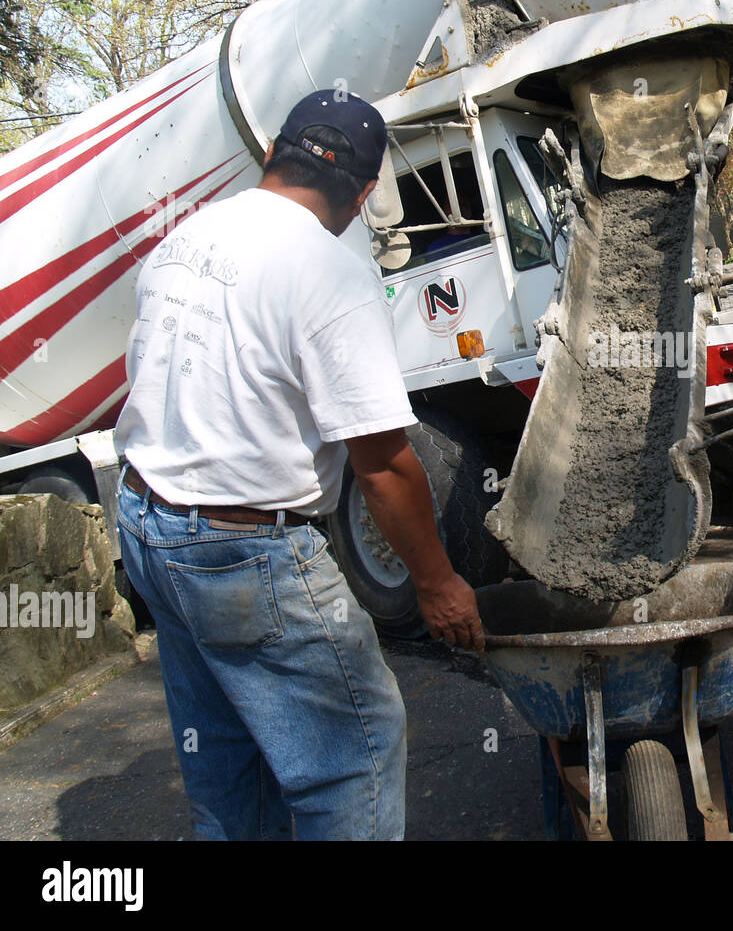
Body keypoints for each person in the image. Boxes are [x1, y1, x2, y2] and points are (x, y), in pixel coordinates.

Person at [115, 88, 484, 840]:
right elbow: (381, 463)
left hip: (146, 523)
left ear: (274, 152)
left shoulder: (185, 238)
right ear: (366, 190)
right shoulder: (331, 272)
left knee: (226, 755)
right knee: (357, 750)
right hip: (240, 551)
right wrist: (437, 583)